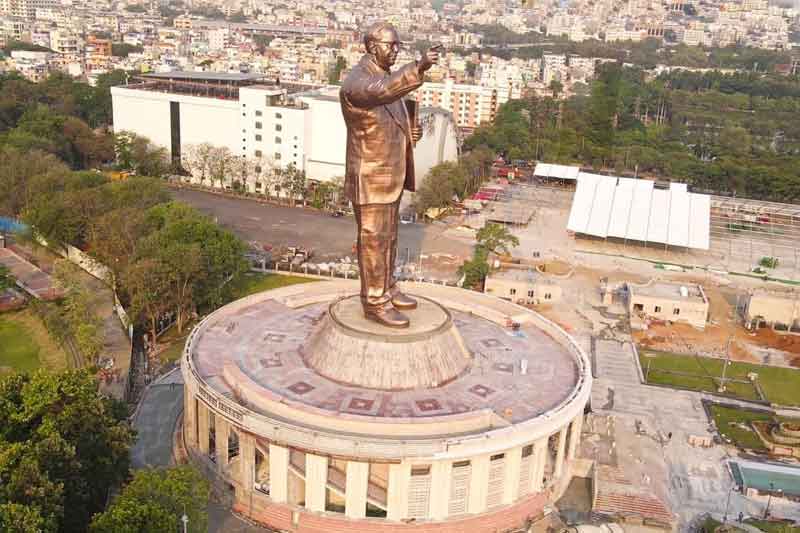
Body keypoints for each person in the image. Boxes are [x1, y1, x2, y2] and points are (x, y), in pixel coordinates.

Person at [340, 22, 440, 328]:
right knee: (373, 240)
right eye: (390, 45)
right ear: (371, 47)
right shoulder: (358, 83)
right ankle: (374, 301)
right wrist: (419, 66)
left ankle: (387, 286)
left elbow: (388, 116)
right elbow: (382, 93)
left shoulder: (383, 77)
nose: (395, 50)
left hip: (389, 175)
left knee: (389, 238)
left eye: (398, 45)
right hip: (370, 176)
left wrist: (411, 133)